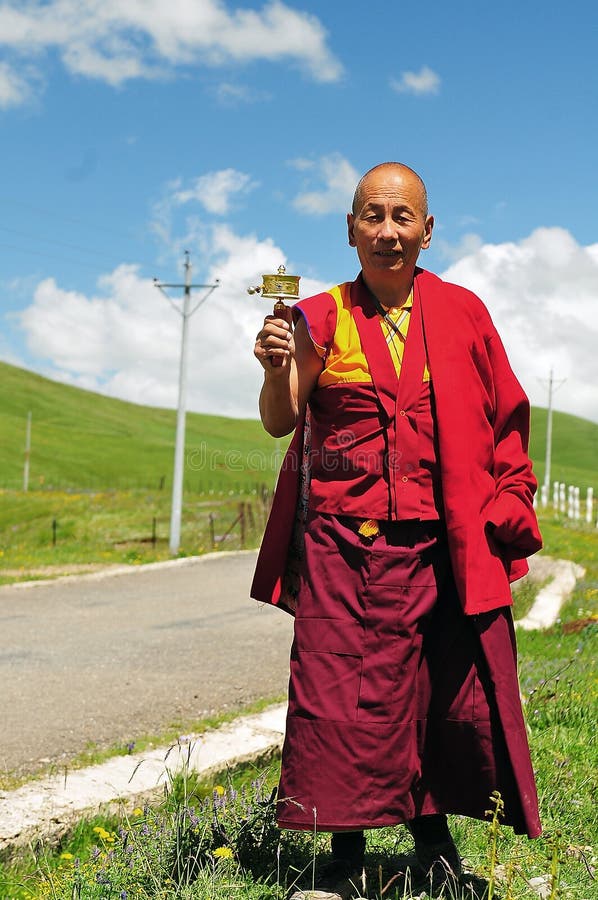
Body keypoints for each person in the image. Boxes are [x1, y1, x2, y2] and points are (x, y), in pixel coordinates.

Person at [252, 162, 542, 900]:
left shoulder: (463, 312)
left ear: (427, 230)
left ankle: (435, 850)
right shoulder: (318, 317)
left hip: (439, 548)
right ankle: (344, 859)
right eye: (372, 216)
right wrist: (275, 370)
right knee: (336, 701)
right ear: (350, 230)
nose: (387, 231)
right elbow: (282, 419)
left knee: (434, 693)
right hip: (342, 552)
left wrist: (508, 502)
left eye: (402, 216)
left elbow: (505, 417)